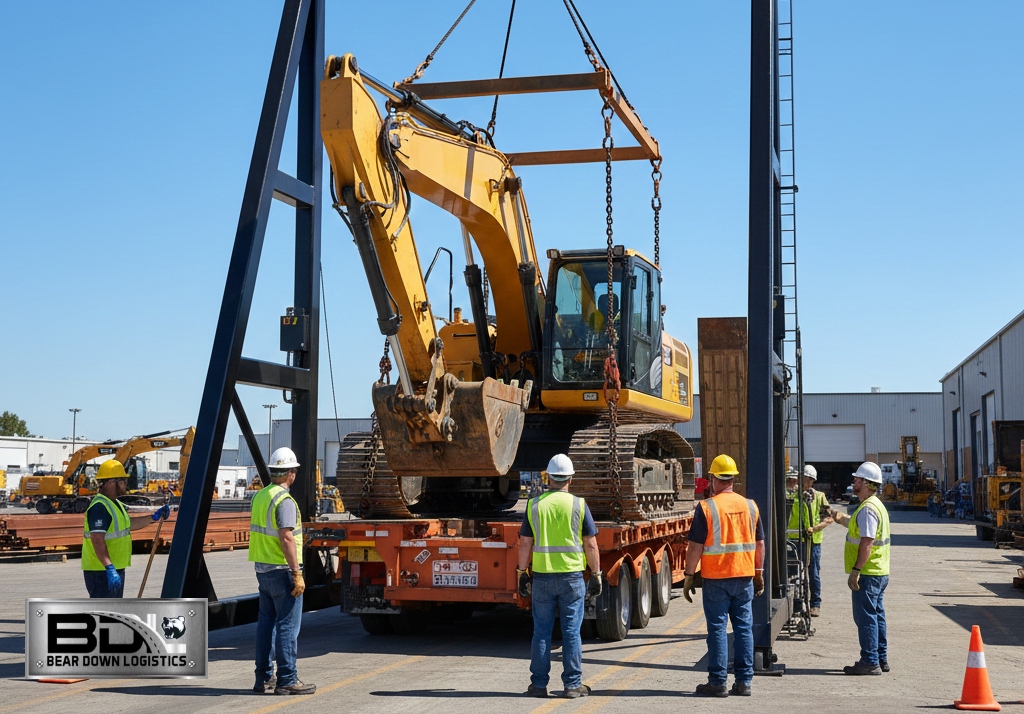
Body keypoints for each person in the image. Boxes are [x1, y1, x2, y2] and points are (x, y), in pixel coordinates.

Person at [518, 454, 602, 699]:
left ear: (548, 477)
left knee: (541, 632)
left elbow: (525, 543)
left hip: (543, 578)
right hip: (572, 578)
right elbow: (591, 543)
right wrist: (595, 574)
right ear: (570, 478)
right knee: (571, 632)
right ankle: (572, 685)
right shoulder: (578, 505)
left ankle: (539, 685)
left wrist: (522, 572)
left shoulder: (534, 505)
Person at [683, 454, 765, 697]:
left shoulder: (707, 507)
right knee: (743, 629)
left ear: (712, 478)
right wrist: (758, 573)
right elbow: (760, 543)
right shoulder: (750, 505)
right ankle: (744, 682)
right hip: (744, 577)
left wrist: (688, 576)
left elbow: (695, 546)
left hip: (717, 578)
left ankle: (718, 682)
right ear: (733, 479)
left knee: (717, 630)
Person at [251, 447, 315, 695]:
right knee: (288, 626)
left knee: (266, 625)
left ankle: (263, 678)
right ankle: (287, 678)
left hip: (263, 571)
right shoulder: (284, 500)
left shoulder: (260, 496)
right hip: (282, 571)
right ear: (290, 473)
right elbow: (286, 537)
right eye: (294, 470)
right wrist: (297, 572)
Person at [828, 461, 890, 675]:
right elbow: (858, 525)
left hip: (868, 573)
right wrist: (838, 517)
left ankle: (870, 661)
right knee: (876, 615)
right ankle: (880, 658)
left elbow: (867, 542)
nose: (853, 482)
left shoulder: (868, 509)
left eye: (856, 480)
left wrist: (856, 570)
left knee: (865, 618)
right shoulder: (873, 505)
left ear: (865, 483)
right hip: (879, 571)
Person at [82, 459, 169, 598]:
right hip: (101, 571)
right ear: (111, 482)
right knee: (105, 615)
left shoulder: (115, 504)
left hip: (114, 569)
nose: (125, 484)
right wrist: (109, 567)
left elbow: (128, 525)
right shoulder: (100, 506)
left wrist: (153, 518)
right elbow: (97, 539)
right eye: (122, 481)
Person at [799, 465, 832, 616]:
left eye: (807, 479)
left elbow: (828, 518)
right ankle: (797, 603)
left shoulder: (819, 497)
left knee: (813, 573)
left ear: (812, 480)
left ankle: (815, 603)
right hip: (797, 539)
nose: (804, 482)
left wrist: (816, 528)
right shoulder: (795, 495)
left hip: (814, 541)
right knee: (795, 573)